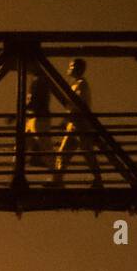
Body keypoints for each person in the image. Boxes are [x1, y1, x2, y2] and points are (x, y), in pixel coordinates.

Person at [52, 58, 102, 187]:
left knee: (85, 152)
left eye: (72, 66)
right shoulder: (77, 84)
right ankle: (57, 180)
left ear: (79, 68)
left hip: (80, 124)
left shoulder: (81, 85)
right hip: (75, 124)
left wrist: (65, 120)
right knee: (66, 152)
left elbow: (78, 105)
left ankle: (98, 179)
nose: (69, 67)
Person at [24, 74, 53, 171]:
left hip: (37, 118)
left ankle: (16, 175)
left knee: (44, 147)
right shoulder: (41, 80)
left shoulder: (38, 81)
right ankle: (56, 176)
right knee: (45, 147)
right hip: (37, 118)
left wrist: (18, 113)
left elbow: (32, 101)